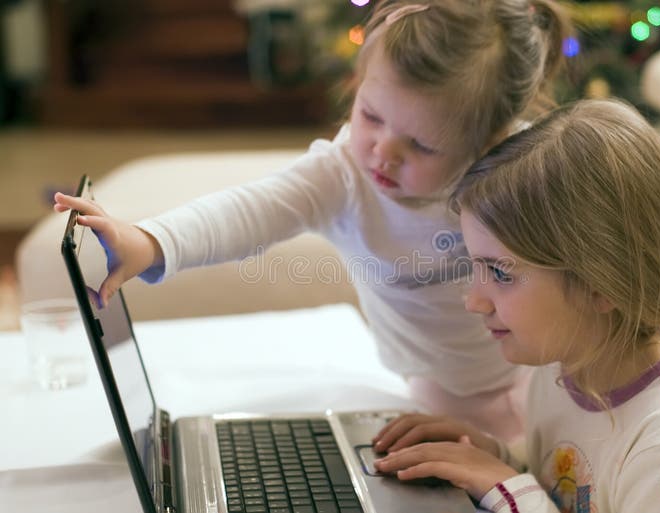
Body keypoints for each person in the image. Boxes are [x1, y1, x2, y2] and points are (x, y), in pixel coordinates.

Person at [52, 0, 570, 443]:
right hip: (442, 391)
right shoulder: (342, 174)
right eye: (370, 115)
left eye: (422, 144)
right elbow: (251, 211)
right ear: (358, 85)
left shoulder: (518, 165)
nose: (383, 152)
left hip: (554, 369)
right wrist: (151, 240)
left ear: (488, 139)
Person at [372, 98, 660, 512]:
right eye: (475, 268)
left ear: (601, 284)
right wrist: (488, 457)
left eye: (501, 274)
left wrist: (504, 487)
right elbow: (569, 484)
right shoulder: (569, 364)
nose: (474, 301)